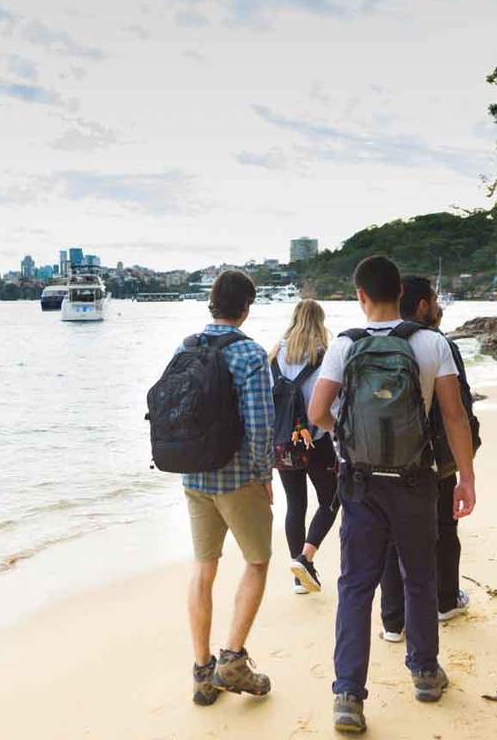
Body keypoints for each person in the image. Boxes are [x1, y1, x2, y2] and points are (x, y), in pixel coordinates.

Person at [307, 256, 477, 735]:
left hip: (360, 482)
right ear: (400, 292)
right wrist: (465, 476)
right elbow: (454, 416)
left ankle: (347, 696)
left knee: (356, 586)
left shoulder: (344, 346)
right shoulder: (431, 343)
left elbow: (318, 411)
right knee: (419, 576)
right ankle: (424, 673)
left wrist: (346, 436)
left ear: (360, 295)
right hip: (416, 480)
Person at [180, 270, 275, 706]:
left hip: (194, 475)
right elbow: (259, 425)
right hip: (237, 478)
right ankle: (232, 660)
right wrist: (264, 475)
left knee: (204, 568)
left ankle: (202, 672)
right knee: (256, 561)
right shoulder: (250, 354)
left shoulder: (187, 346)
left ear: (211, 304)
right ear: (246, 307)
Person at [379, 276, 477, 642]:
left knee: (390, 538)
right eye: (435, 299)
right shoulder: (438, 344)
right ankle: (445, 602)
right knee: (444, 530)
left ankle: (393, 621)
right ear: (422, 305)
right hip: (432, 457)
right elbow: (458, 411)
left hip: (384, 457)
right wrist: (466, 467)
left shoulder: (374, 342)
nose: (438, 305)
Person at [267, 299, 339, 595]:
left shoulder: (274, 356)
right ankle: (304, 558)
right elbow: (332, 403)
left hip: (283, 443)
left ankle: (299, 579)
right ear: (320, 322)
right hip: (316, 441)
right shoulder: (326, 355)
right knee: (333, 499)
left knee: (295, 504)